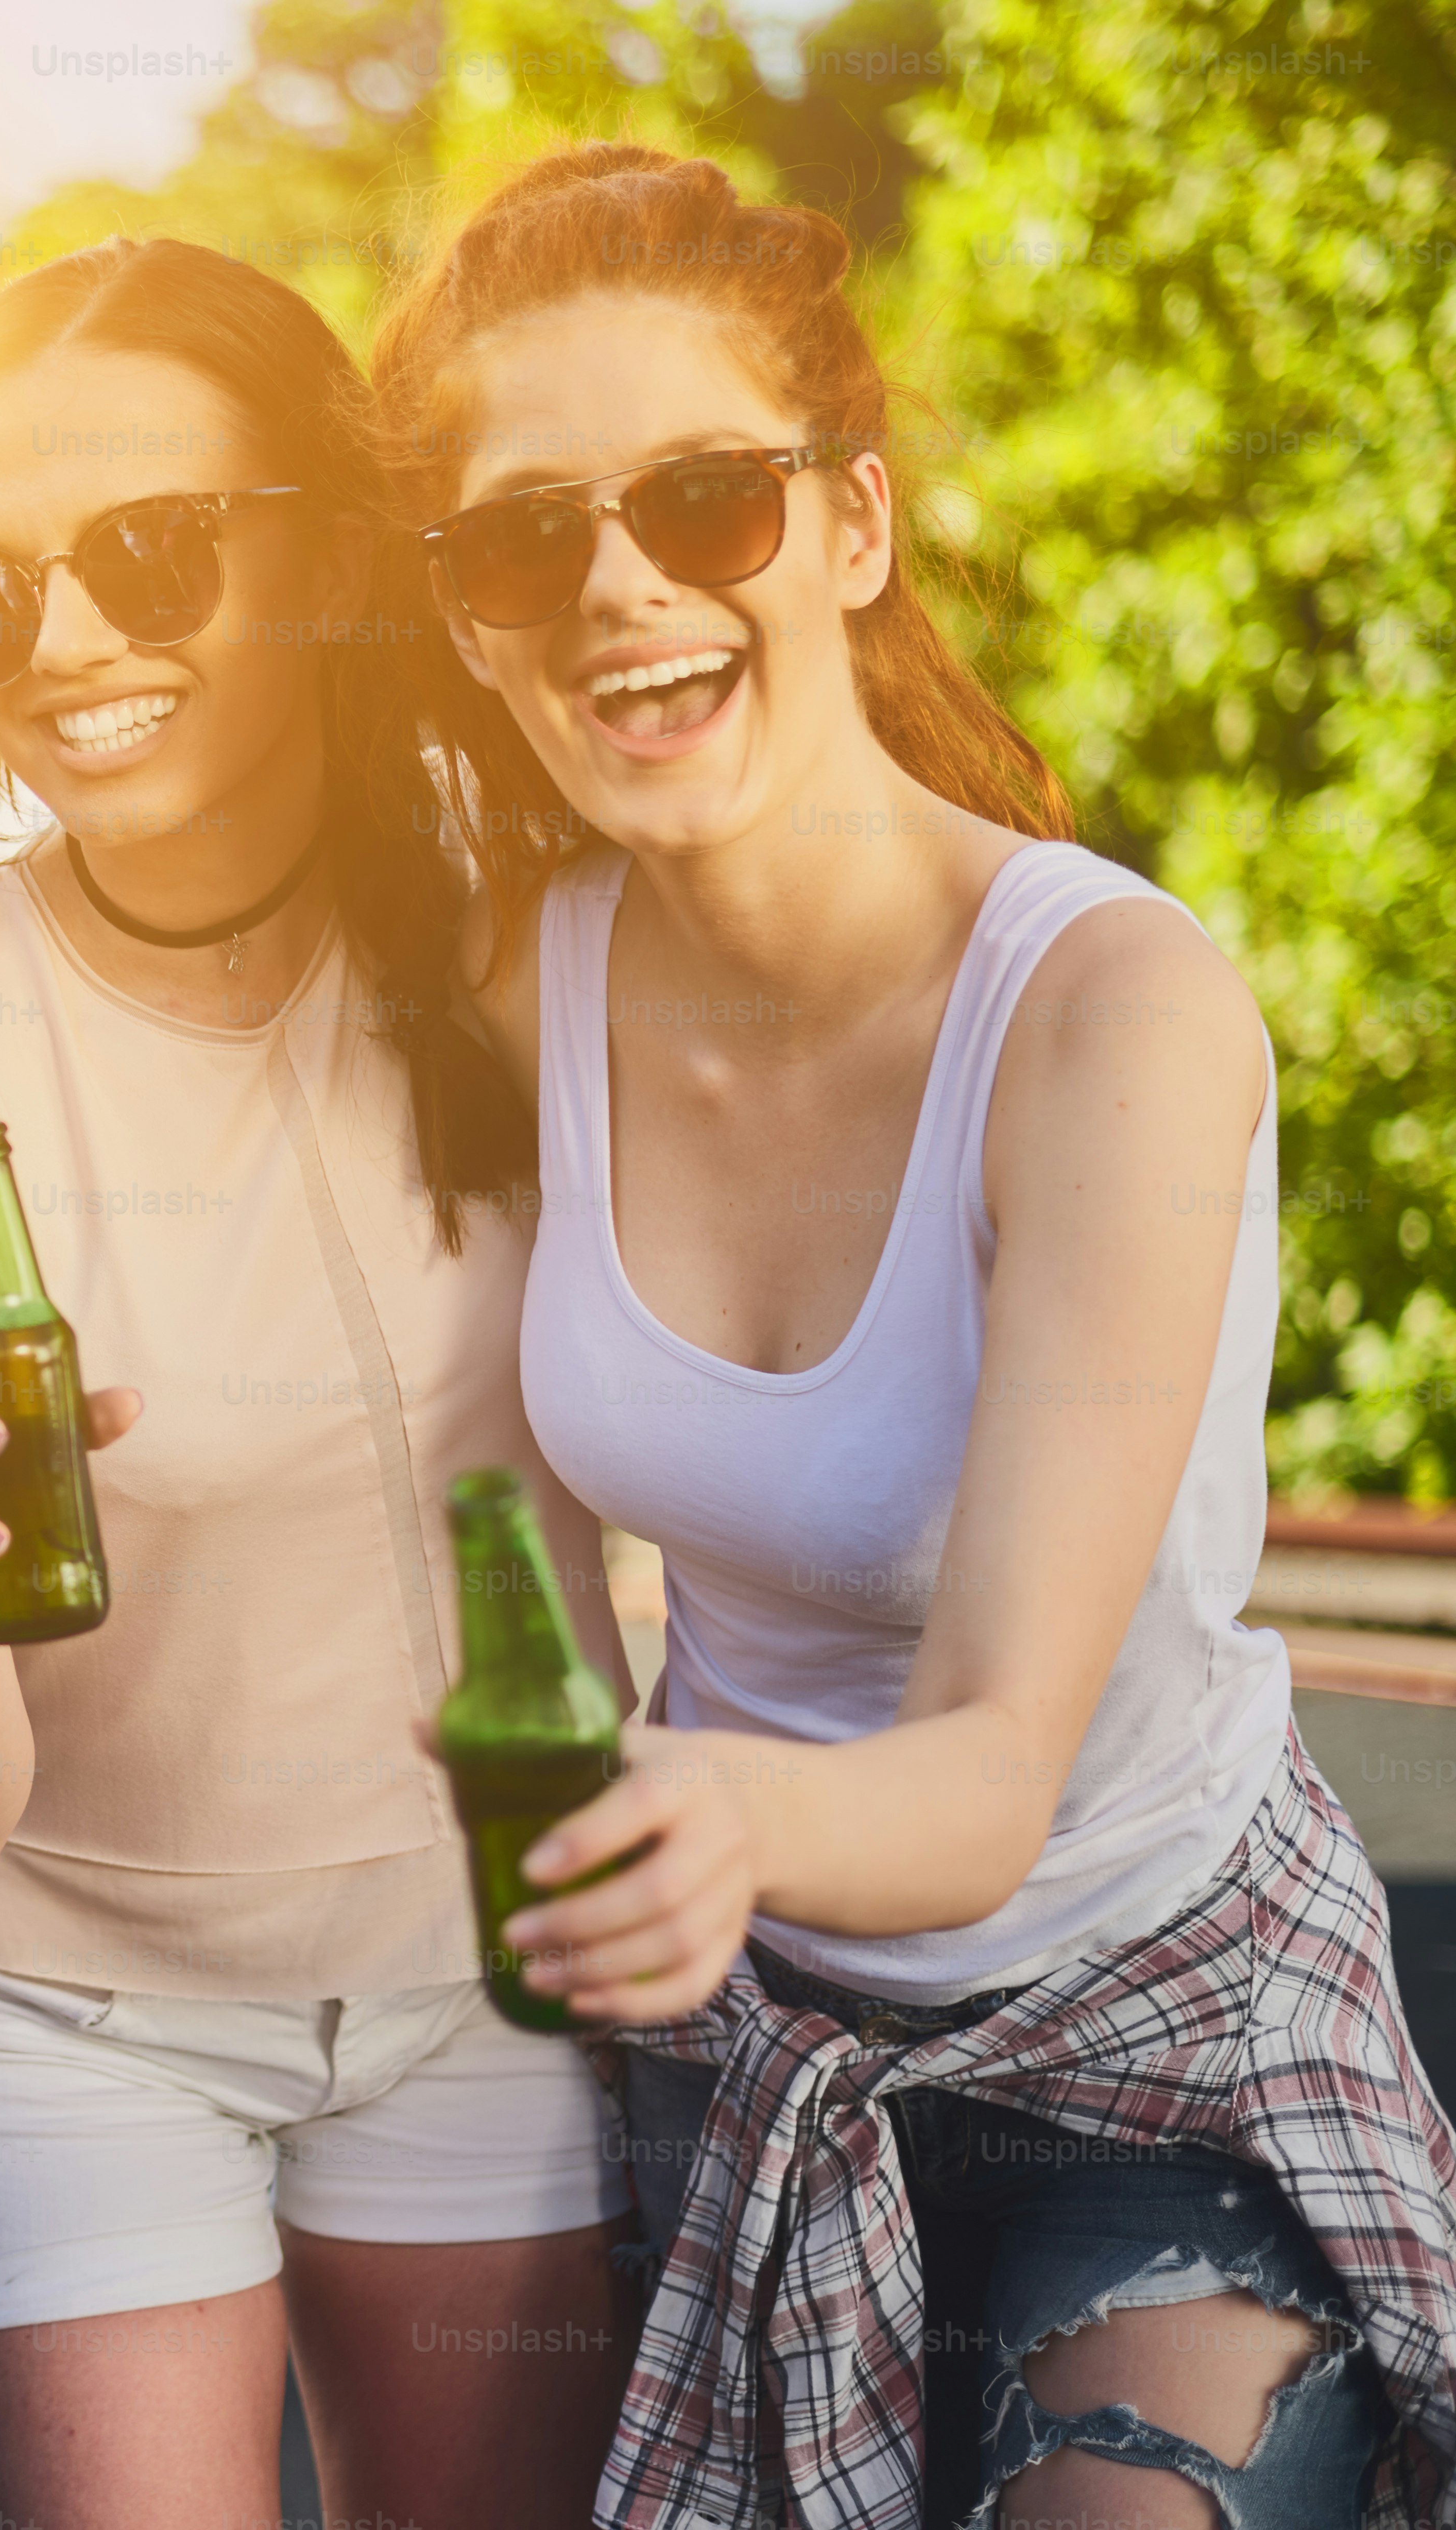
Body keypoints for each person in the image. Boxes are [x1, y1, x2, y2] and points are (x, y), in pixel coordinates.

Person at [373, 143, 1456, 2527]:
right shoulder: (509, 973)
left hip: (1149, 2038)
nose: (618, 582)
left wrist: (716, 1809)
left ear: (846, 526)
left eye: (699, 497)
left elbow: (978, 1780)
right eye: (521, 535)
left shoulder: (1103, 1011)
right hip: (738, 2042)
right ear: (464, 619)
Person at [0, 237, 639, 2530]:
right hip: (72, 2018)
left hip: (490, 1976)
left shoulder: (529, 936)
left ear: (334, 562)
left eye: (147, 552)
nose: (60, 645)